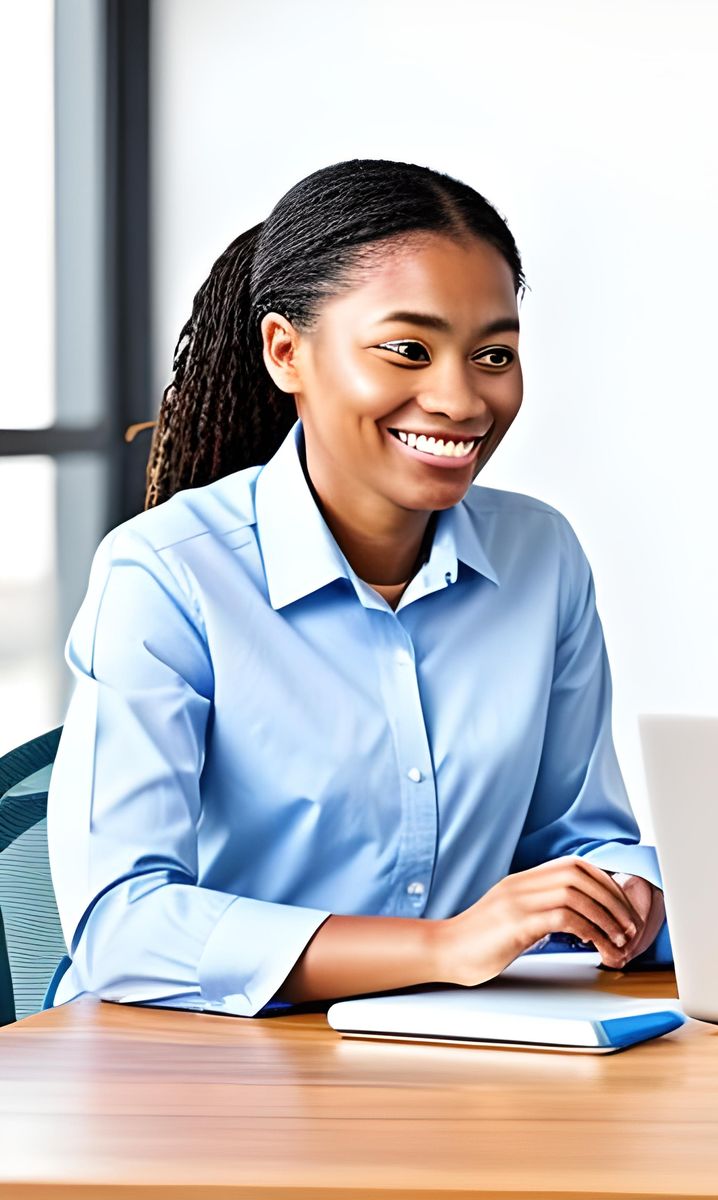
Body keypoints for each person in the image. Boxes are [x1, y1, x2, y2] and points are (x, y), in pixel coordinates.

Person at [48, 159, 665, 1017]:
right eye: (408, 350)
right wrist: (445, 947)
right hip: (201, 1059)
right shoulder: (166, 574)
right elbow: (123, 926)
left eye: (493, 355)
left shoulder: (541, 556)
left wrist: (624, 891)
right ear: (286, 352)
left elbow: (577, 833)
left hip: (457, 1042)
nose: (460, 399)